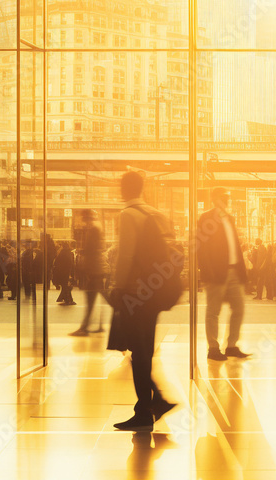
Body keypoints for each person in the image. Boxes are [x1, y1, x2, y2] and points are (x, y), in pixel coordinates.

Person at [107, 171, 176, 431]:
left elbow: (125, 256)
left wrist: (118, 286)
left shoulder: (129, 215)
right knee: (144, 348)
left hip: (135, 292)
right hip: (155, 291)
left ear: (124, 189)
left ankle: (146, 410)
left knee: (139, 350)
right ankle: (154, 401)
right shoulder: (155, 214)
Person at [197, 187, 251, 361]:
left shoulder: (230, 218)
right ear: (214, 198)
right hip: (216, 272)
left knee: (239, 308)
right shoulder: (206, 218)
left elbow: (234, 245)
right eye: (223, 197)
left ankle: (231, 345)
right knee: (213, 311)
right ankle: (213, 348)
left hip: (234, 270)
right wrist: (207, 272)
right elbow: (201, 249)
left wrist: (242, 272)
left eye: (228, 196)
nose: (227, 199)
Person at [71, 210, 107, 336]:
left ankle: (85, 328)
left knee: (91, 298)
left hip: (94, 269)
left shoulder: (93, 229)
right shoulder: (97, 227)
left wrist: (83, 256)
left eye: (83, 217)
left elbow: (91, 249)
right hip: (97, 268)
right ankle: (95, 326)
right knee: (98, 297)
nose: (82, 220)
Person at [53, 240, 76, 305]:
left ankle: (66, 299)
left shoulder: (60, 253)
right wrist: (71, 273)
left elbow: (56, 263)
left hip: (61, 272)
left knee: (65, 286)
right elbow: (70, 264)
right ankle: (68, 300)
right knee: (67, 286)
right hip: (66, 272)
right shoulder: (69, 253)